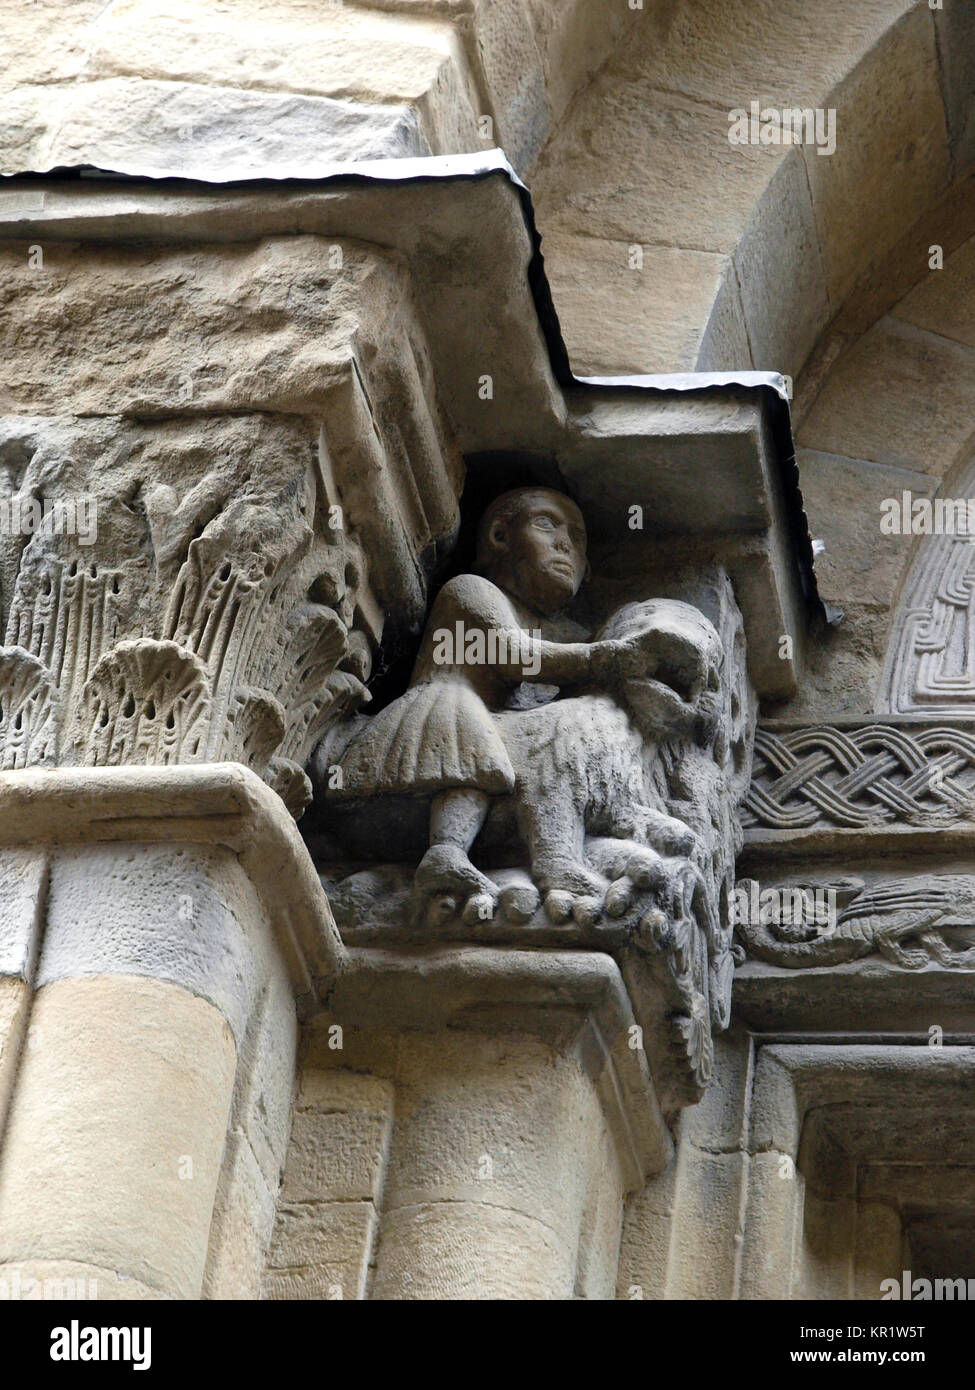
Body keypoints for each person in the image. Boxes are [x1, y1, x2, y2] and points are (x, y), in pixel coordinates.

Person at [333, 486, 651, 923]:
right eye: (547, 524)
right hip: (446, 712)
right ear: (500, 537)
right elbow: (515, 653)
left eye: (578, 539)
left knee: (498, 755)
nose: (566, 545)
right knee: (474, 759)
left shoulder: (565, 631)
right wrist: (602, 657)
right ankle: (446, 851)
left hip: (491, 731)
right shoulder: (472, 591)